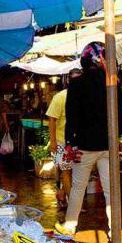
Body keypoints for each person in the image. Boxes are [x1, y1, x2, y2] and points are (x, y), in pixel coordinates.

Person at [55, 42, 113, 236]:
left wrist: (71, 143)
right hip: (107, 144)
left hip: (85, 146)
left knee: (78, 187)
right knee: (110, 189)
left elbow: (72, 117)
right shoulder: (110, 81)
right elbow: (120, 113)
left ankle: (70, 226)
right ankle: (115, 230)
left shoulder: (77, 83)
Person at [47, 68, 82, 209]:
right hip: (62, 142)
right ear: (68, 80)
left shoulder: (84, 96)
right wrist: (53, 141)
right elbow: (52, 120)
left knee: (74, 173)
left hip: (79, 142)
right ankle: (73, 204)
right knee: (67, 172)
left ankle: (64, 196)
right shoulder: (60, 97)